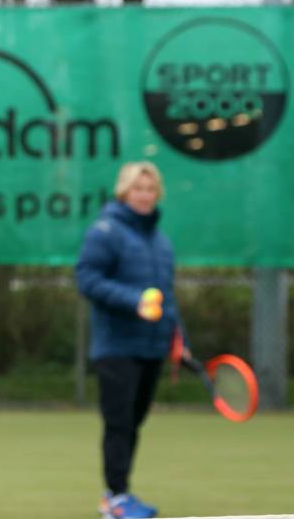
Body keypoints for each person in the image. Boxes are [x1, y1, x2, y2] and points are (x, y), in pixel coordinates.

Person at [76, 161, 187, 519]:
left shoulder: (161, 242)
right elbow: (87, 279)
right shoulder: (105, 231)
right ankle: (115, 497)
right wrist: (134, 300)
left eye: (150, 189)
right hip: (116, 347)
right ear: (124, 192)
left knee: (133, 423)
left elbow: (167, 298)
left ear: (157, 194)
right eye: (138, 188)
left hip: (152, 347)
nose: (144, 195)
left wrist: (178, 338)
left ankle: (119, 493)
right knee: (119, 423)